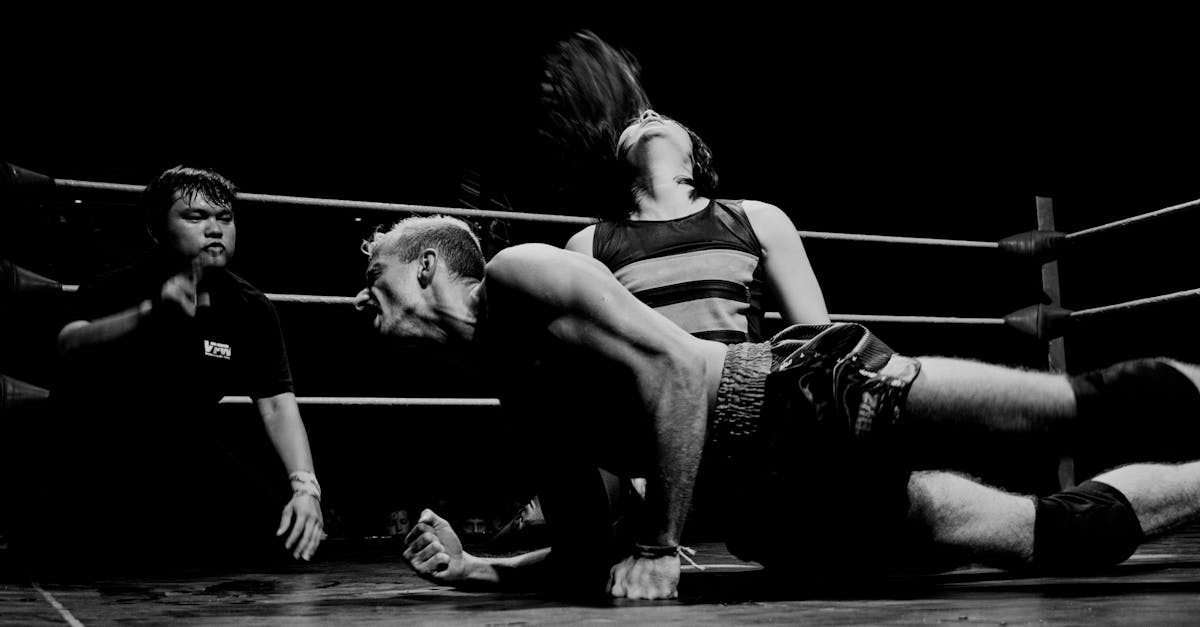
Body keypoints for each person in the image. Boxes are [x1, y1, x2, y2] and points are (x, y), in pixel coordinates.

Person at [355, 215, 1200, 599]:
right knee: (1054, 538)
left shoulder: (522, 272)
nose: (361, 298)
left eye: (373, 277)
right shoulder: (517, 384)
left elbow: (681, 374)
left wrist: (660, 544)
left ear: (427, 266)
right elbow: (584, 552)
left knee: (1063, 408)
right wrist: (477, 570)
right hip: (781, 502)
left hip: (803, 401)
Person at [50, 166, 323, 568]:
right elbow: (68, 343)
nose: (214, 229)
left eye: (224, 218)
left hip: (189, 447)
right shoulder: (120, 285)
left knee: (287, 544)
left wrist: (306, 489)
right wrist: (147, 315)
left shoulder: (249, 305)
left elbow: (277, 402)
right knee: (100, 556)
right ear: (156, 229)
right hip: (102, 447)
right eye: (195, 217)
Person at [546, 31, 830, 343]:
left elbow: (819, 344)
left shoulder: (757, 220)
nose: (649, 115)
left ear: (697, 156)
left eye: (664, 119)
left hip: (737, 387)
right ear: (616, 159)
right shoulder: (588, 246)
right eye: (634, 124)